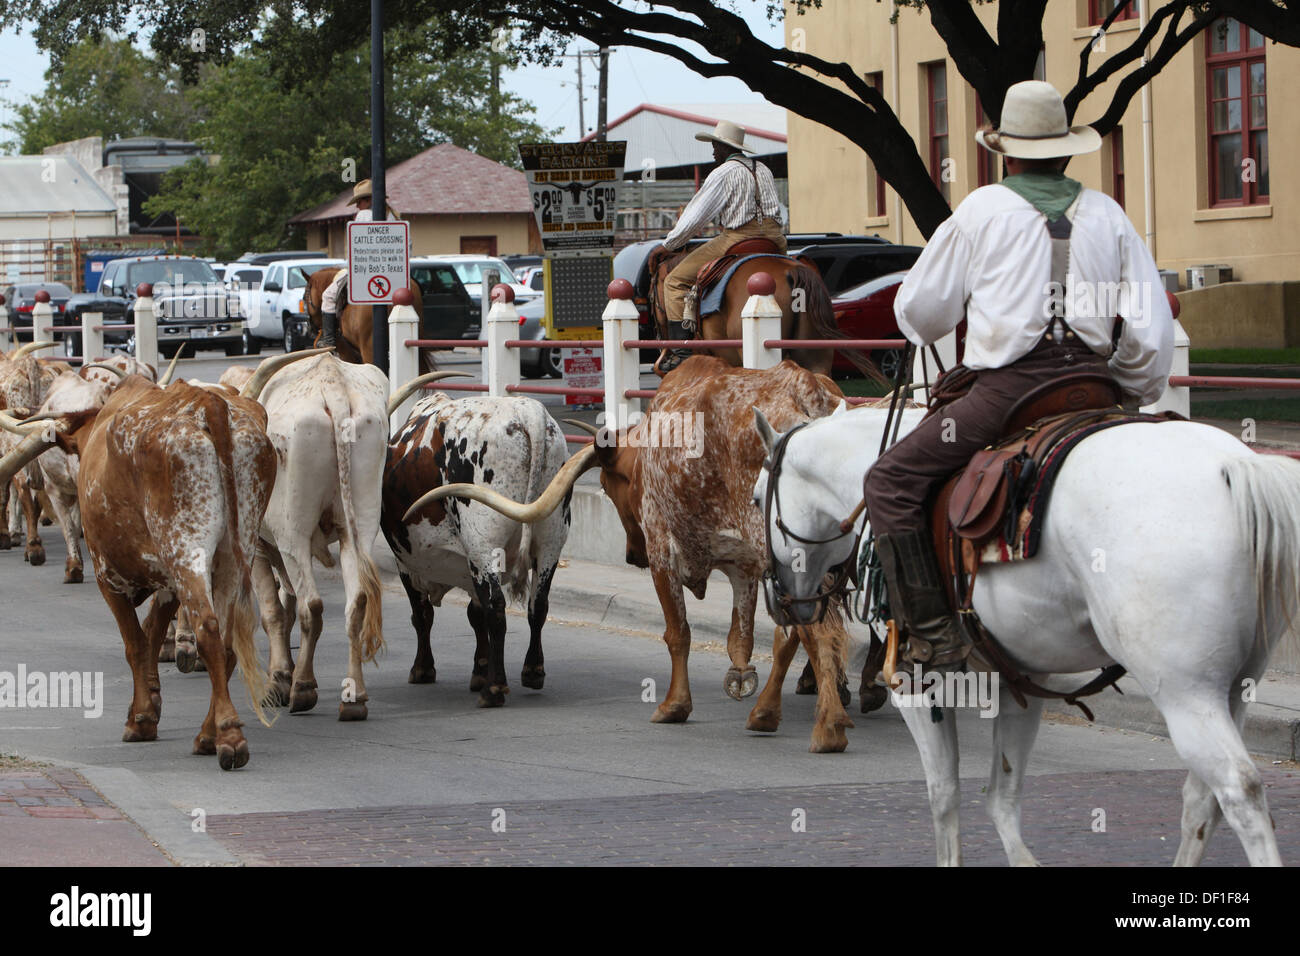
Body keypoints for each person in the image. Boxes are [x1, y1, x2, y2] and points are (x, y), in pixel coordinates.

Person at [863, 80, 1174, 669]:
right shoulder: (1109, 214)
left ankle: (934, 632)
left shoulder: (982, 210)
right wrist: (1127, 390)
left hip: (1007, 397)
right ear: (1066, 150)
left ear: (1007, 152)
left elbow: (921, 314)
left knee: (889, 480)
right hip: (1093, 389)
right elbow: (1149, 332)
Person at [649, 120, 788, 373]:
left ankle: (681, 352)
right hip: (775, 238)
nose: (713, 151)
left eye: (715, 145)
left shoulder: (723, 172)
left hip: (738, 237)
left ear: (725, 147)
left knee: (674, 281)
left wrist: (670, 244)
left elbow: (696, 216)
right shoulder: (764, 169)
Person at [319, 178, 399, 347]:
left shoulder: (363, 216)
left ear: (370, 200)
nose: (357, 206)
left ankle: (329, 342)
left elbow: (358, 250)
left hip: (366, 270)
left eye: (360, 201)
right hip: (396, 271)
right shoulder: (394, 216)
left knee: (328, 296)